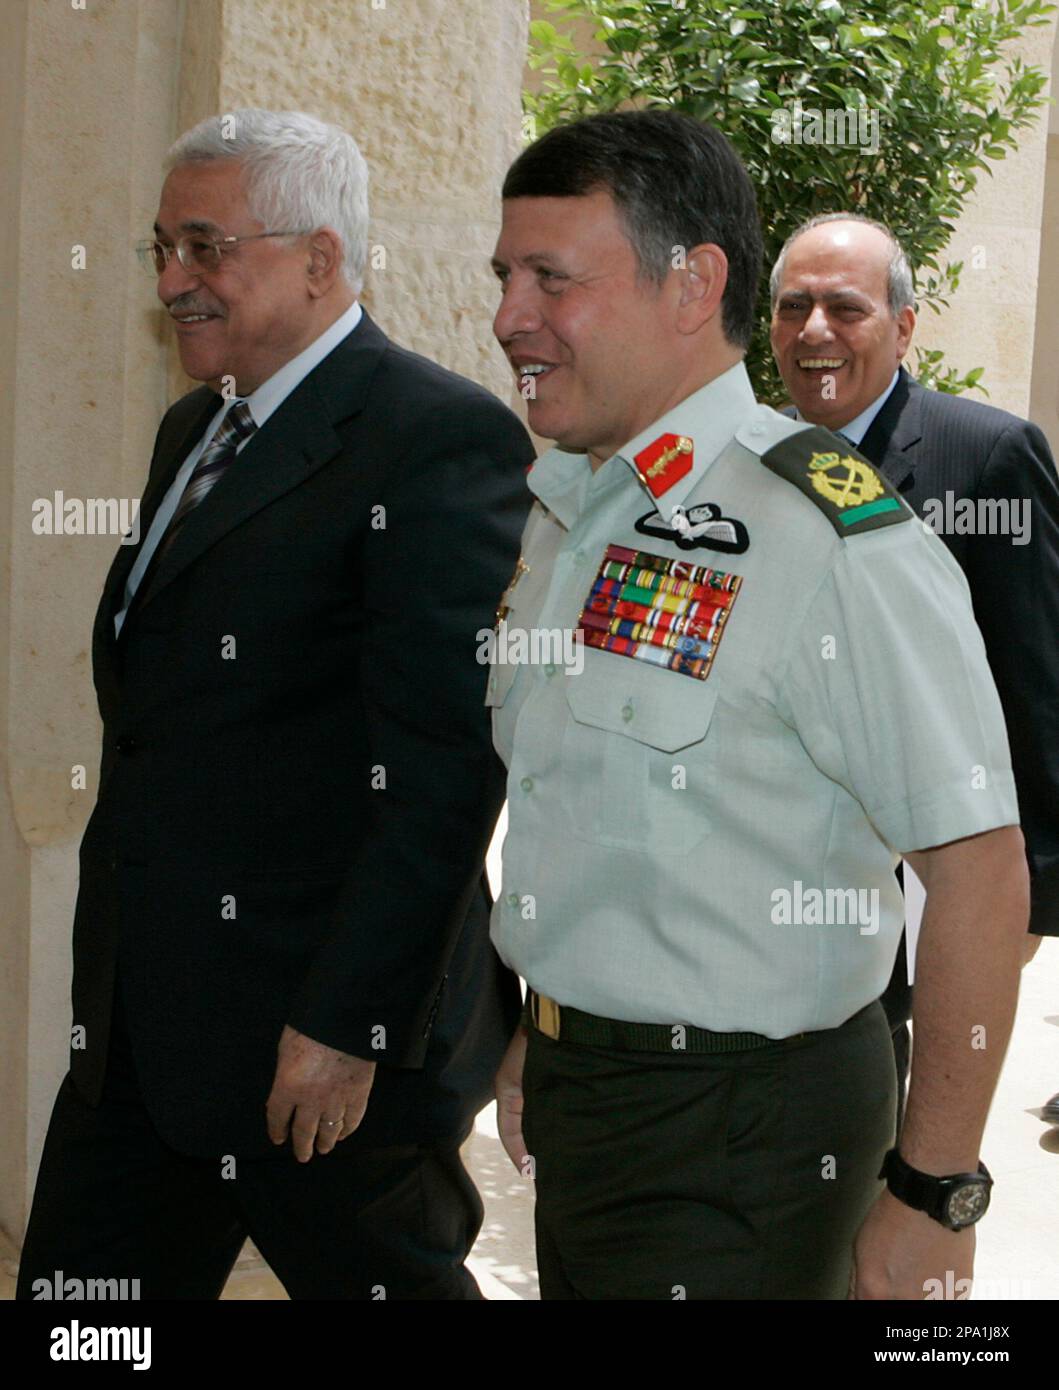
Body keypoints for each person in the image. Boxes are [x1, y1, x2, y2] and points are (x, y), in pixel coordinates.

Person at [487, 109, 1028, 1300]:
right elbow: (587, 809)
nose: (510, 318)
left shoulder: (829, 534)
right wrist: (557, 1016)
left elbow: (981, 866)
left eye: (551, 280)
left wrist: (937, 1185)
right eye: (506, 276)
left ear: (695, 287)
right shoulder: (577, 504)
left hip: (746, 1130)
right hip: (589, 1101)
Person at [16, 108, 534, 1301]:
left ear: (320, 258)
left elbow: (446, 768)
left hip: (321, 1048)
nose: (174, 281)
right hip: (146, 1031)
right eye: (161, 249)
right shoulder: (194, 429)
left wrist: (350, 1024)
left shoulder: (435, 439)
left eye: (207, 248)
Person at [770, 212, 1059, 1122]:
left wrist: (1025, 904)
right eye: (791, 308)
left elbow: (1035, 683)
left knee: (888, 1115)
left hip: (925, 876)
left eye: (843, 309)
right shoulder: (748, 456)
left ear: (901, 326)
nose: (813, 331)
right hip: (770, 868)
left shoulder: (987, 456)